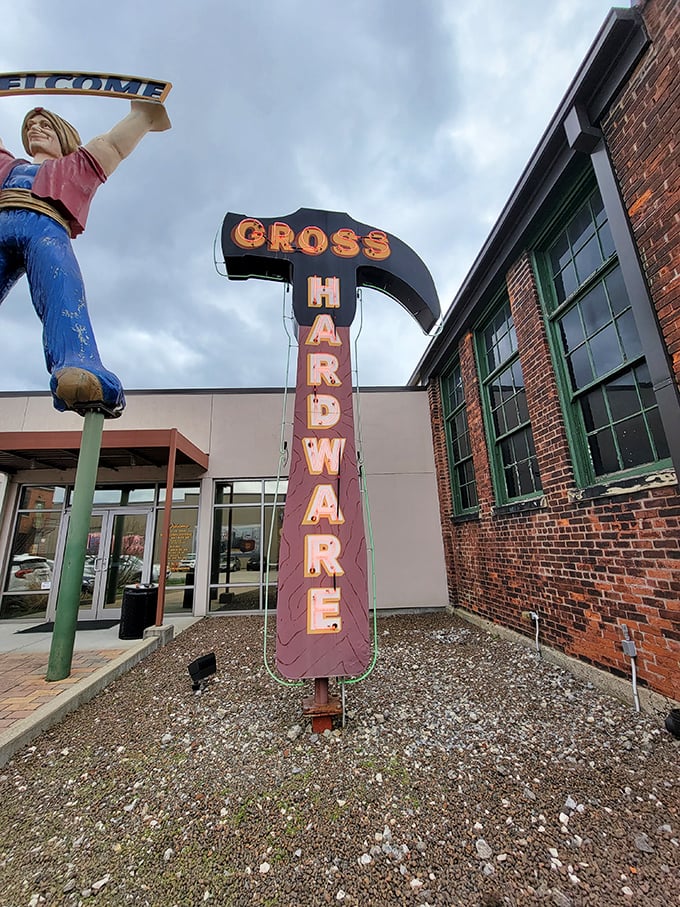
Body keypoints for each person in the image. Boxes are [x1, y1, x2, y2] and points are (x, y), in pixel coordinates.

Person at [0, 100, 170, 415]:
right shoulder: (8, 166)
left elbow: (111, 146)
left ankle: (78, 363)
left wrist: (143, 116)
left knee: (62, 289)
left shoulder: (72, 167)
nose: (35, 129)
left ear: (63, 135)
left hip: (46, 226)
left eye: (45, 126)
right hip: (2, 220)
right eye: (30, 127)